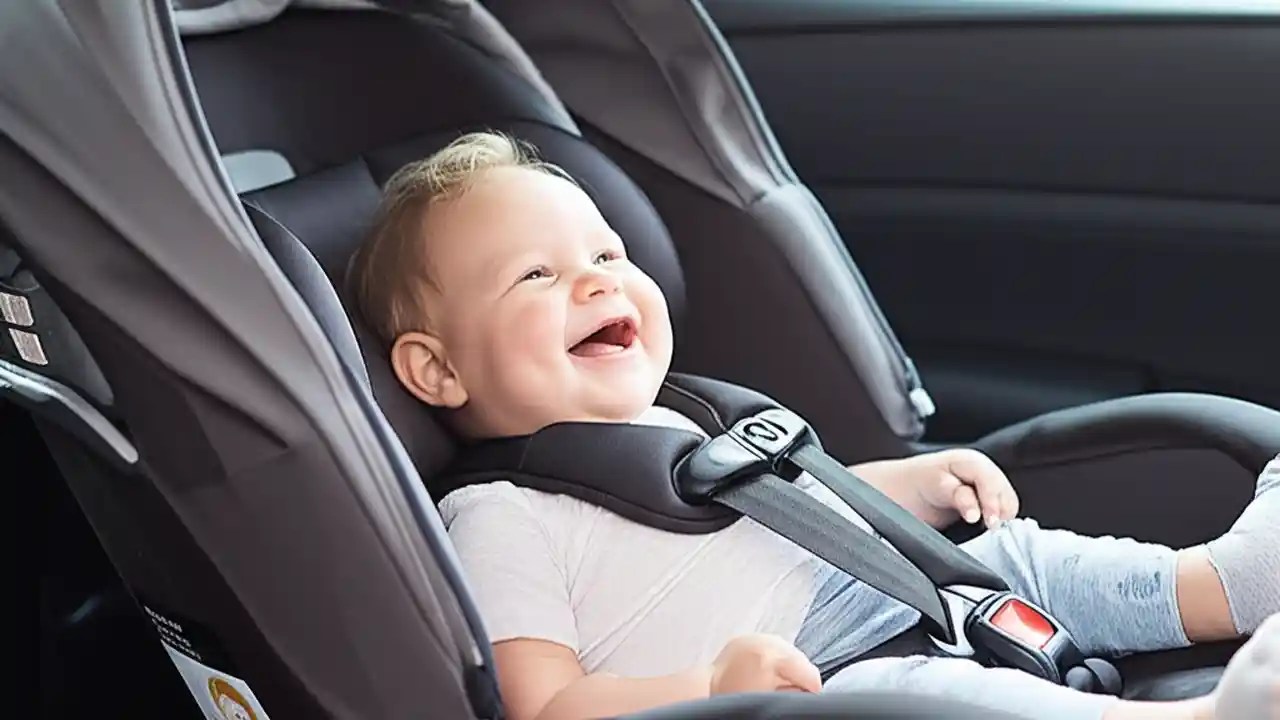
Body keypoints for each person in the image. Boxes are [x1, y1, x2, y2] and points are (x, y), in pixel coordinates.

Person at [347, 131, 1280, 720]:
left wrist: (918, 483)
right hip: (808, 685)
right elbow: (540, 705)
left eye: (605, 254)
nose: (597, 282)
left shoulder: (695, 416)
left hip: (902, 591)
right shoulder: (502, 513)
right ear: (438, 368)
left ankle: (1221, 586)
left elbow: (808, 501)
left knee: (1021, 562)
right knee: (913, 702)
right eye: (536, 277)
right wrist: (710, 687)